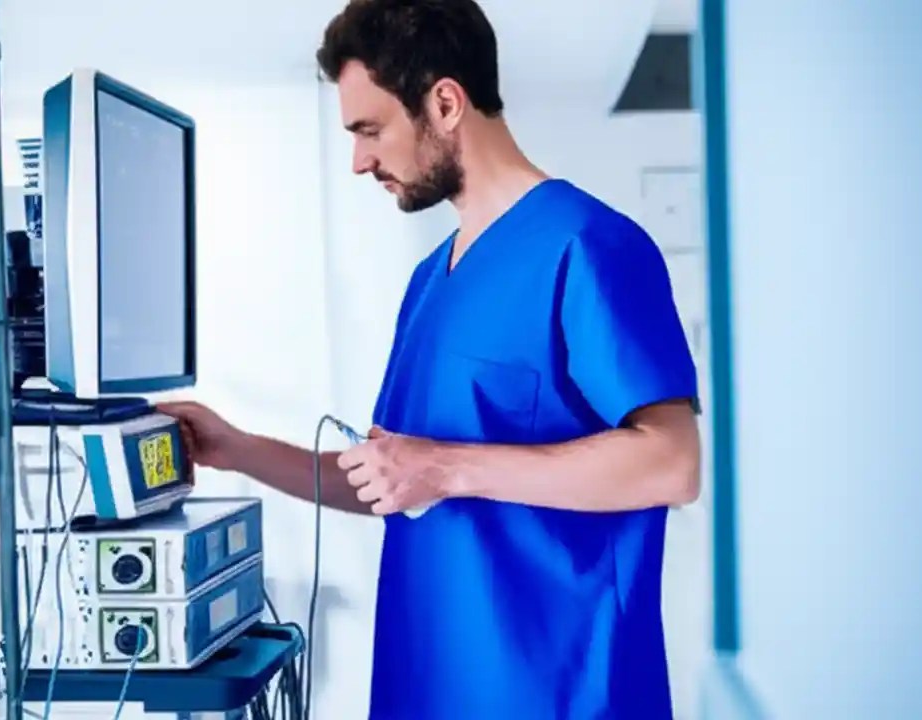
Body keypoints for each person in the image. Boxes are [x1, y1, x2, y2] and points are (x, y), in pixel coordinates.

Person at [158, 0, 701, 717]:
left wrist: (444, 465)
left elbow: (672, 462)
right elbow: (392, 480)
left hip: (557, 693)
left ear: (445, 102)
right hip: (429, 684)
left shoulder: (590, 246)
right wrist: (236, 447)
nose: (358, 161)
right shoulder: (429, 282)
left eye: (370, 129)